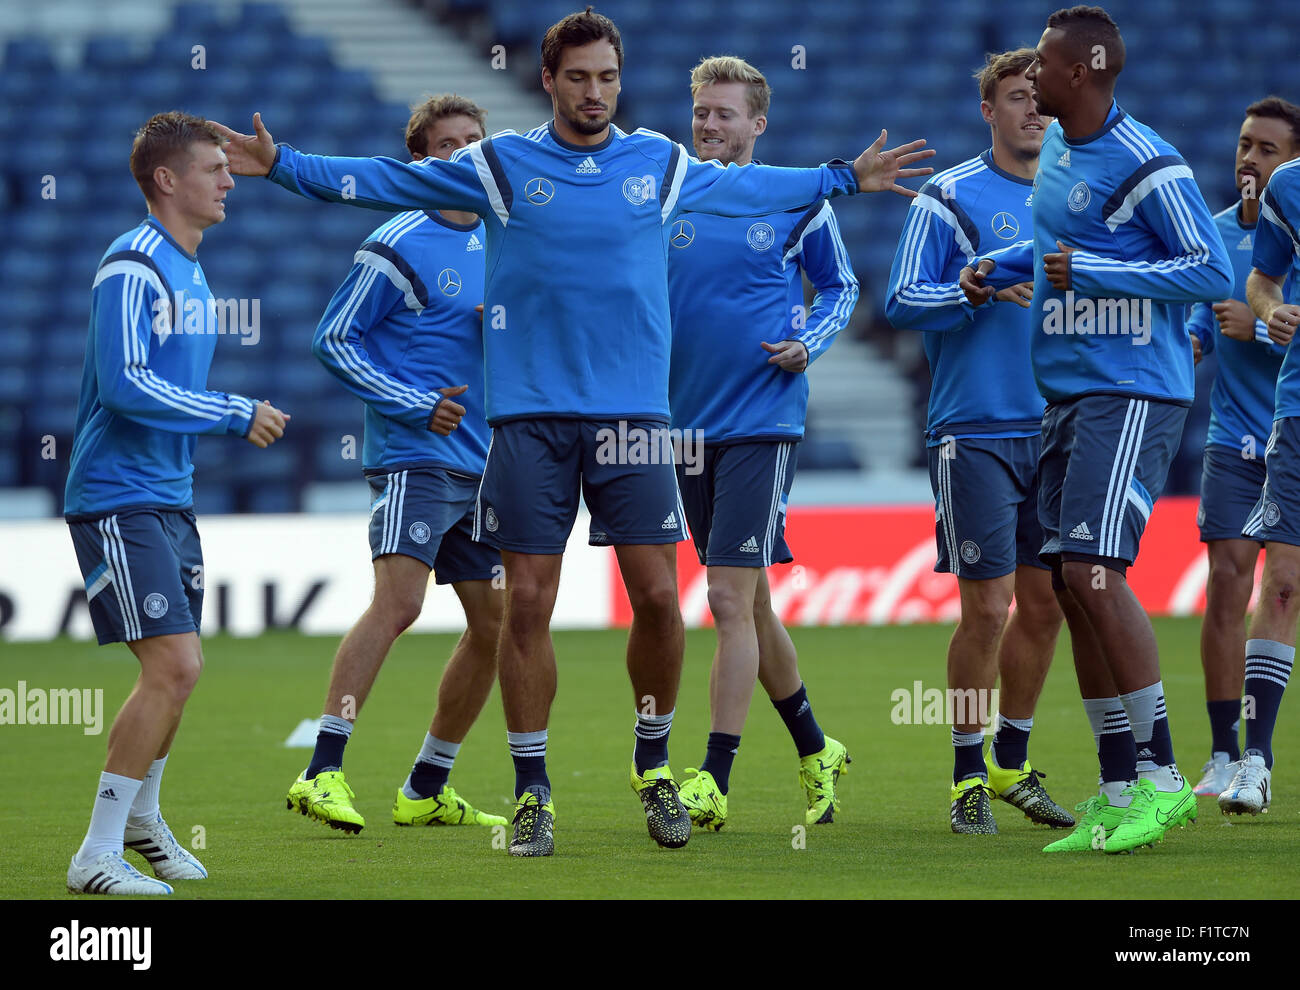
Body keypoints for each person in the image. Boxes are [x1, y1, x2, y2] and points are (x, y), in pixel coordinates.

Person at [210, 6, 934, 856]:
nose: (594, 92)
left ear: (620, 82)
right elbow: (383, 180)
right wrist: (285, 165)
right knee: (528, 609)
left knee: (662, 600)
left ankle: (654, 767)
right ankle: (532, 790)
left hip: (634, 422)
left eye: (608, 77)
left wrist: (843, 177)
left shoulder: (659, 164)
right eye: (578, 77)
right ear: (548, 81)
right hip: (529, 424)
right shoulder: (499, 167)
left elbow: (754, 187)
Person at [959, 5, 1232, 854]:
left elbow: (1210, 271)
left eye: (1042, 64)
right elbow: (1057, 245)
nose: (1031, 78)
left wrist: (1098, 268)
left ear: (1082, 71)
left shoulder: (1149, 162)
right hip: (1069, 392)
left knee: (1095, 572)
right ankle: (1116, 785)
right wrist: (998, 266)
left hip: (1132, 388)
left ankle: (1162, 777)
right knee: (1071, 585)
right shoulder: (1063, 152)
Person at [63, 111, 289, 894]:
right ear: (166, 180)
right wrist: (231, 410)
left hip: (168, 496)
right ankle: (95, 854)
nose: (230, 180)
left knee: (180, 677)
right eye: (213, 169)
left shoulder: (191, 270)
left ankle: (142, 822)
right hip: (118, 497)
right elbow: (124, 385)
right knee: (175, 665)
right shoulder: (133, 265)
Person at [285, 95, 506, 835]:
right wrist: (415, 403)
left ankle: (427, 784)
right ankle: (322, 769)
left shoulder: (506, 238)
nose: (463, 156)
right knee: (400, 604)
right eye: (446, 147)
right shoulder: (398, 242)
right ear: (420, 162)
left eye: (474, 143)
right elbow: (335, 340)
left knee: (497, 625)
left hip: (483, 461)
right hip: (416, 455)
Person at [666, 55, 856, 832]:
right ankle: (817, 747)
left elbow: (840, 287)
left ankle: (713, 775)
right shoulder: (667, 190)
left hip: (762, 419)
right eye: (701, 111)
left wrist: (810, 339)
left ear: (758, 125)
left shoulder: (799, 199)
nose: (709, 124)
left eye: (725, 114)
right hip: (683, 425)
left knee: (724, 598)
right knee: (753, 601)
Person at [886, 49, 1072, 835]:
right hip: (975, 428)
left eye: (1045, 100)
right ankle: (965, 776)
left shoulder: (1080, 199)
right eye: (1018, 98)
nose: (1035, 111)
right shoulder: (947, 196)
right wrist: (972, 285)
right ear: (989, 110)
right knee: (988, 609)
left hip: (1061, 421)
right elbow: (899, 299)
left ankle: (1010, 761)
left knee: (1049, 606)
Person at [1185, 97, 1300, 798]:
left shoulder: (1293, 222)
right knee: (1227, 580)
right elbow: (1200, 325)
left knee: (1282, 585)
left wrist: (1254, 331)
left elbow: (1271, 323)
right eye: (1243, 144)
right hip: (1236, 437)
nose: (1248, 159)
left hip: (1285, 424)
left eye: (1265, 148)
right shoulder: (1214, 237)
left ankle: (1254, 753)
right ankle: (1227, 753)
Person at [1232, 122, 1300, 815]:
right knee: (1280, 582)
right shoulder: (1290, 186)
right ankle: (1256, 759)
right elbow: (1262, 277)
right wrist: (1272, 311)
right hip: (1299, 412)